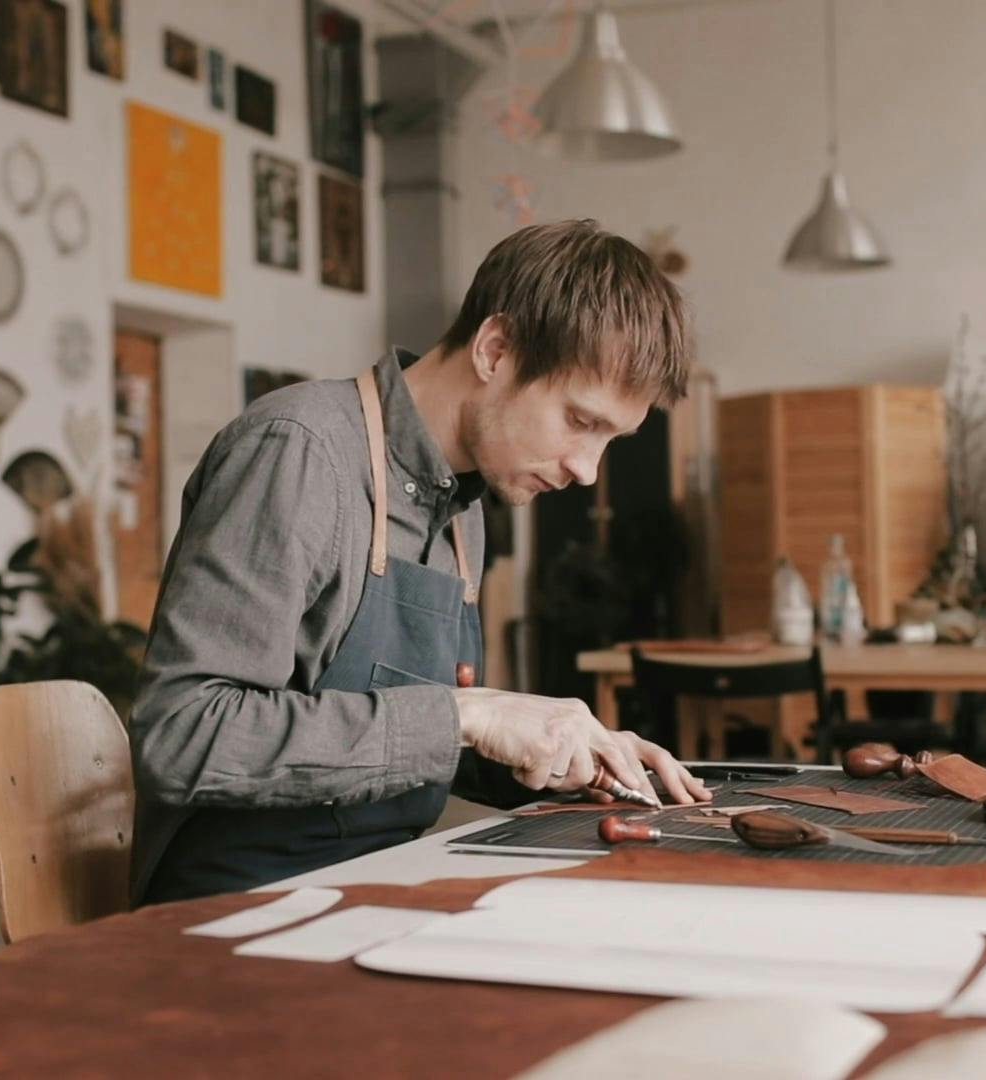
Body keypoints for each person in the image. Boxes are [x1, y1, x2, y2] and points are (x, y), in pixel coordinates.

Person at [130, 220, 713, 904]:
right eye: (580, 422)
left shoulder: (466, 505)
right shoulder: (299, 452)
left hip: (374, 887)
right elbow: (181, 736)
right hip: (232, 909)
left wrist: (560, 756)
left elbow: (415, 744)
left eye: (612, 439)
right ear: (495, 350)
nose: (587, 470)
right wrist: (465, 715)